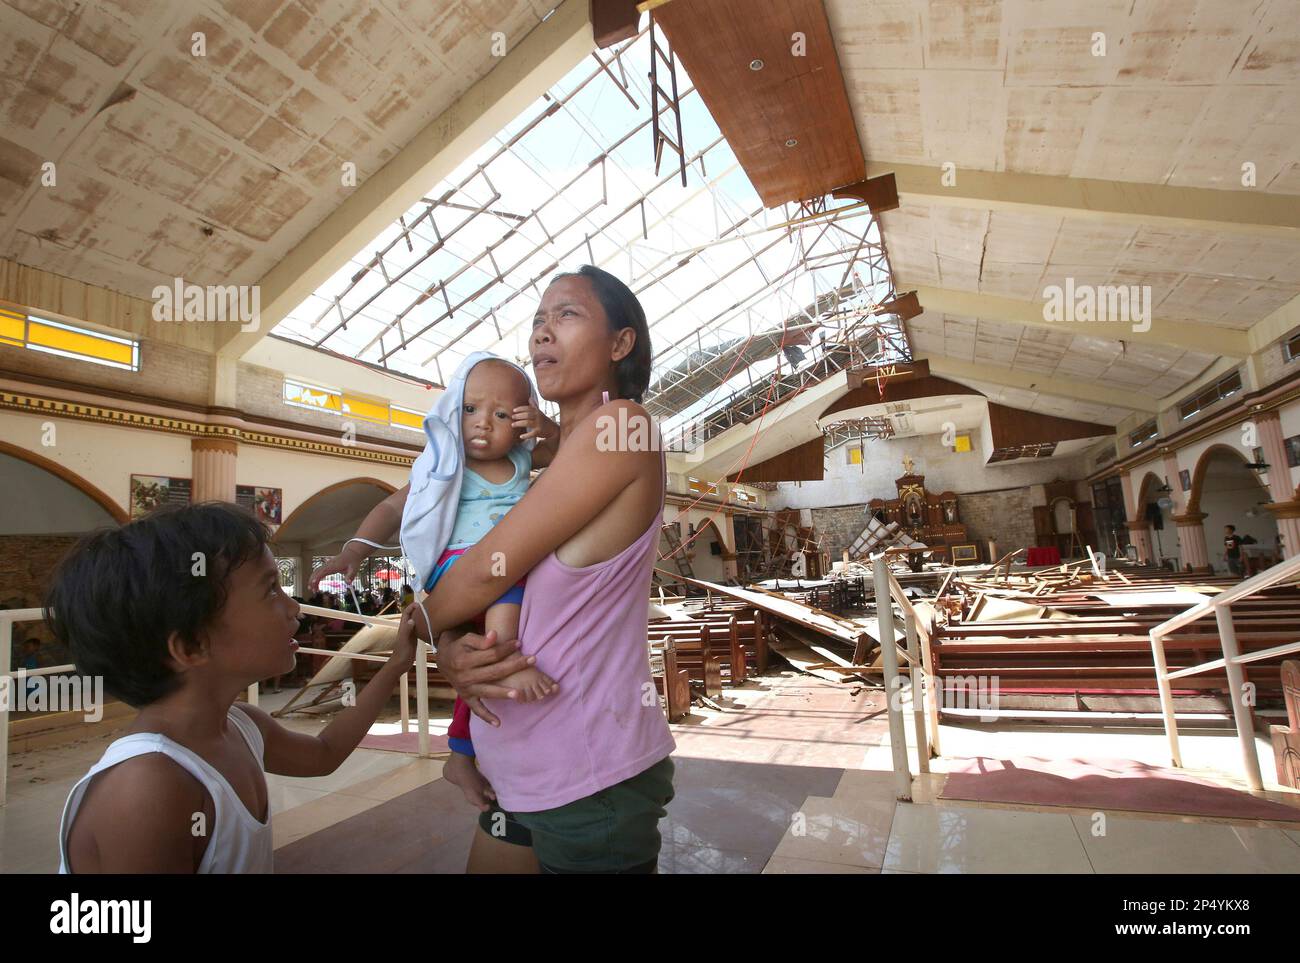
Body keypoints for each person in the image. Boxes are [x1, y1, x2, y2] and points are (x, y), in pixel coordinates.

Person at [416, 265, 676, 874]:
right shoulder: (537, 461)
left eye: (566, 315)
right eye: (537, 321)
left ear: (620, 343)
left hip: (589, 779)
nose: (541, 334)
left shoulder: (623, 427)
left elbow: (483, 571)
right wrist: (450, 646)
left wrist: (417, 626)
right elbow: (490, 588)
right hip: (516, 769)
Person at [45, 502, 422, 873]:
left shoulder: (243, 726)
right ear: (192, 646)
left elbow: (324, 754)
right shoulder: (148, 788)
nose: (296, 609)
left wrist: (395, 666)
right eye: (271, 590)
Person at [310, 353, 564, 766]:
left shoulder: (520, 458)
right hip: (461, 563)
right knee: (507, 583)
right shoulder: (445, 465)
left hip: (507, 558)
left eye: (502, 414)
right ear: (451, 411)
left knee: (469, 656)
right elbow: (393, 508)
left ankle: (460, 752)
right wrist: (354, 550)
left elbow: (568, 453)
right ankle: (506, 663)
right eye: (470, 409)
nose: (483, 422)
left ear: (520, 426)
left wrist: (549, 430)